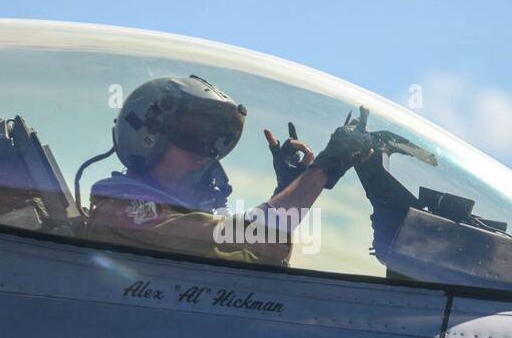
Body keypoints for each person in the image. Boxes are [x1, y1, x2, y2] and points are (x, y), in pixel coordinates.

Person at [84, 75, 371, 265]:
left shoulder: (166, 221)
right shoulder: (124, 216)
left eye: (214, 144)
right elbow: (250, 236)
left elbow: (255, 260)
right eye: (195, 139)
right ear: (146, 139)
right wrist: (321, 171)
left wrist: (287, 191)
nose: (205, 156)